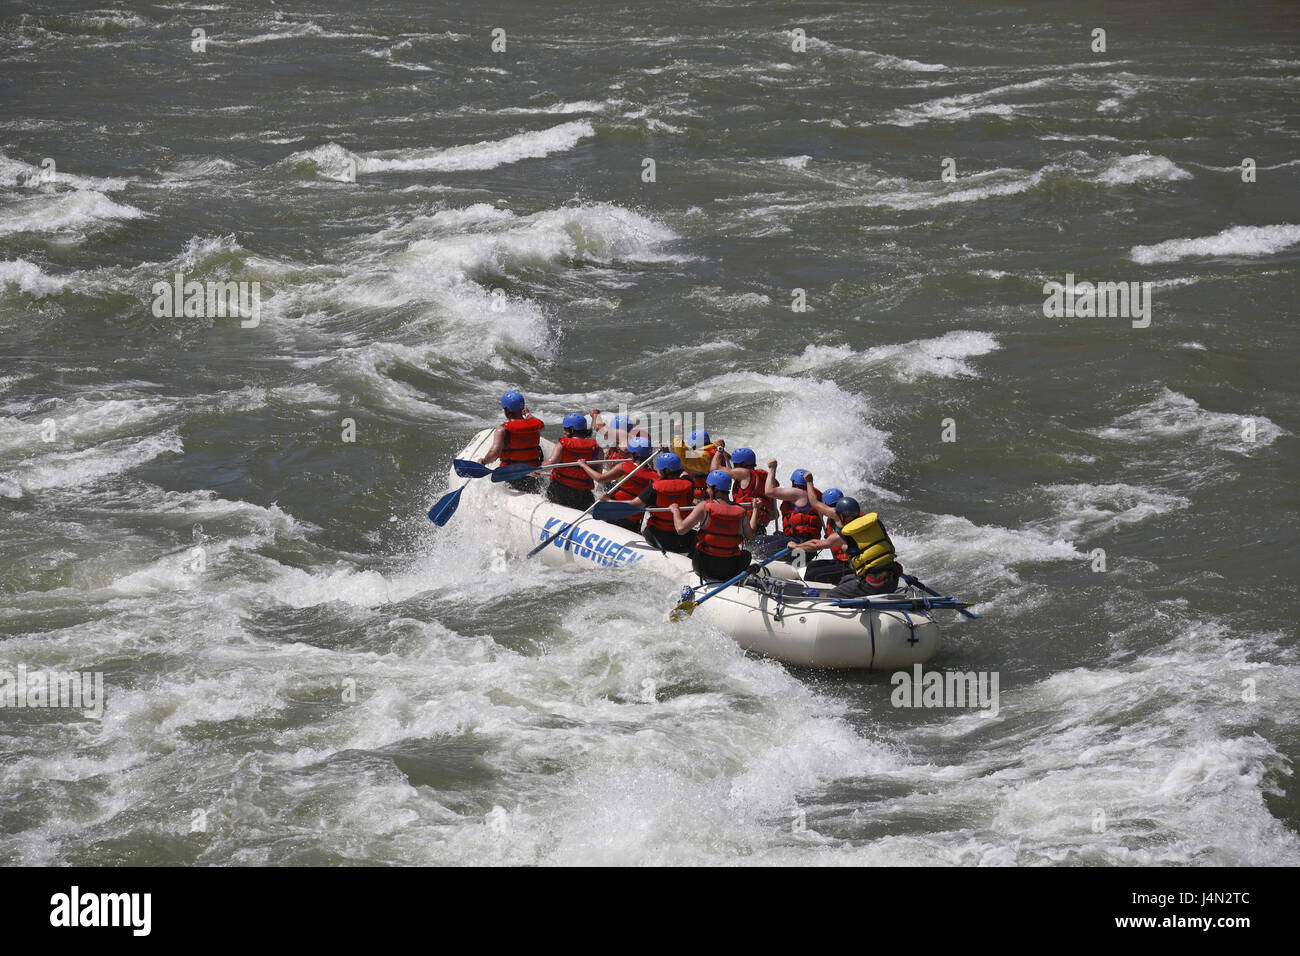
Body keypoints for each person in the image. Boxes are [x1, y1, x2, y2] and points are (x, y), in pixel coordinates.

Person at [793, 497, 903, 597]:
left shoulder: (844, 536)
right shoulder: (877, 524)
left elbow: (816, 545)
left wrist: (796, 546)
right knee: (846, 580)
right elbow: (891, 549)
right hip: (892, 579)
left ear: (842, 516)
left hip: (873, 584)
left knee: (832, 594)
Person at [605, 452, 696, 554]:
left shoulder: (654, 488)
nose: (657, 472)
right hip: (681, 538)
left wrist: (608, 501)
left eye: (659, 469)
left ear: (665, 471)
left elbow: (633, 506)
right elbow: (684, 474)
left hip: (657, 536)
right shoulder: (690, 483)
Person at [671, 470, 754, 582]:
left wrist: (675, 510)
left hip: (703, 568)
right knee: (746, 554)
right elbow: (750, 536)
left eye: (708, 487)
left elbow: (680, 529)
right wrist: (756, 510)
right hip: (729, 570)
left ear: (716, 489)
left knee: (696, 539)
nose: (706, 490)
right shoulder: (742, 511)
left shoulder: (704, 507)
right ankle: (736, 580)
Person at [751, 461, 823, 561]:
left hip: (801, 546)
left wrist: (772, 468)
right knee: (758, 540)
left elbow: (769, 491)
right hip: (799, 542)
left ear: (794, 483)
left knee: (759, 550)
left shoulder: (798, 493)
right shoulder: (813, 496)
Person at [582, 436, 655, 532]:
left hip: (614, 514)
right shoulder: (654, 476)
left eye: (630, 453)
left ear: (634, 454)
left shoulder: (624, 466)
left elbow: (599, 478)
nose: (629, 454)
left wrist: (583, 465)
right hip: (634, 521)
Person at [478, 390, 545, 492]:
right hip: (533, 475)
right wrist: (528, 414)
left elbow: (494, 454)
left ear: (507, 410)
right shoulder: (536, 425)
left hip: (511, 477)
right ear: (522, 408)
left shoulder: (502, 430)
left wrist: (483, 462)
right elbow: (539, 424)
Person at [542, 412, 602, 510]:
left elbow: (550, 463)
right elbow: (598, 473)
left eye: (565, 429)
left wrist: (536, 470)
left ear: (571, 429)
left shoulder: (562, 445)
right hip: (583, 497)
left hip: (560, 492)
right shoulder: (597, 449)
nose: (564, 432)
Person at [798, 490, 856, 584]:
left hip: (850, 564)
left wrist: (796, 547)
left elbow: (819, 545)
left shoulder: (839, 518)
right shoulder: (838, 518)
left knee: (813, 574)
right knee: (812, 566)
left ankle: (813, 594)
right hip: (840, 561)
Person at [713, 446, 775, 533]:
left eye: (735, 464)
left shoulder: (744, 473)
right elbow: (774, 515)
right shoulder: (765, 480)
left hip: (745, 526)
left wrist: (719, 450)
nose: (733, 468)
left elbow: (714, 470)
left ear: (743, 464)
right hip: (760, 529)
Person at [671, 428, 721, 500]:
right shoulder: (717, 451)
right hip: (716, 495)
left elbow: (683, 456)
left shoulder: (704, 456)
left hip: (704, 498)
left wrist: (677, 435)